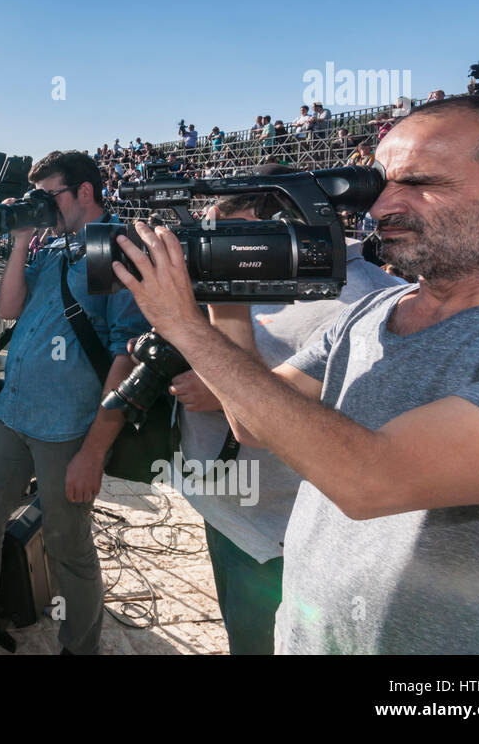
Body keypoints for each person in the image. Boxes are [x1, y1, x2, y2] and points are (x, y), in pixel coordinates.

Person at [110, 94, 479, 653]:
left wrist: (183, 324)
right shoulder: (374, 314)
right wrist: (223, 294)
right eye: (379, 186)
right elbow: (255, 425)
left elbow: (373, 480)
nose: (381, 210)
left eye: (419, 183)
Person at [165, 166, 403, 654]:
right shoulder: (267, 271)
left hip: (284, 534)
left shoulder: (363, 301)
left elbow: (355, 436)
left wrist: (225, 386)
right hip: (232, 512)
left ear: (256, 219)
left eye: (218, 228)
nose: (210, 241)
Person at [0, 150, 149, 655]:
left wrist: (93, 451)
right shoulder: (53, 247)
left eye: (48, 197)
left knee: (69, 549)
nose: (41, 207)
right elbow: (7, 310)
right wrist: (23, 238)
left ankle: (78, 648)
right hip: (13, 412)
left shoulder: (108, 248)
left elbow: (126, 352)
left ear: (84, 192)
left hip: (66, 428)